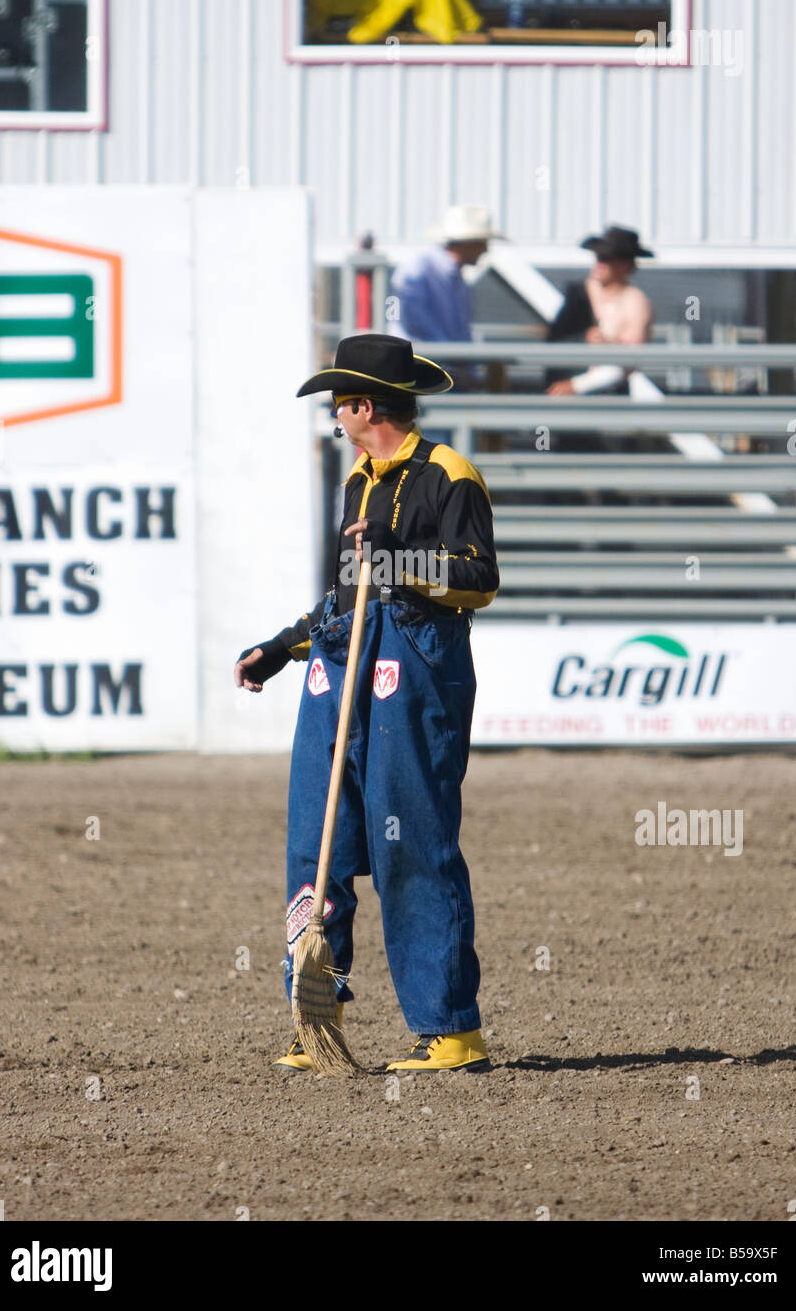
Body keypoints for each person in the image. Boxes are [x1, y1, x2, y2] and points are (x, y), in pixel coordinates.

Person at [234, 334, 499, 1073]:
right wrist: (285, 647)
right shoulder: (358, 479)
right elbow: (347, 591)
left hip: (415, 668)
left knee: (410, 841)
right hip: (342, 660)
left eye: (337, 405)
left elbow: (480, 577)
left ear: (362, 405)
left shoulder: (450, 474)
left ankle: (451, 1030)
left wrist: (400, 559)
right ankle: (315, 1020)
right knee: (316, 844)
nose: (334, 418)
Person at [546, 224, 654, 395]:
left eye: (607, 259)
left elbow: (630, 361)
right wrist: (584, 339)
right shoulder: (579, 295)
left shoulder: (635, 303)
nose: (599, 264)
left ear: (625, 265)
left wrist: (577, 386)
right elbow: (556, 339)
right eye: (598, 257)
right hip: (566, 386)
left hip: (605, 397)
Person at [389, 204, 497, 345]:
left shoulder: (456, 280)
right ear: (467, 243)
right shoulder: (418, 269)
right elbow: (411, 320)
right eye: (482, 243)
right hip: (420, 364)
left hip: (438, 362)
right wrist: (453, 354)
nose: (486, 249)